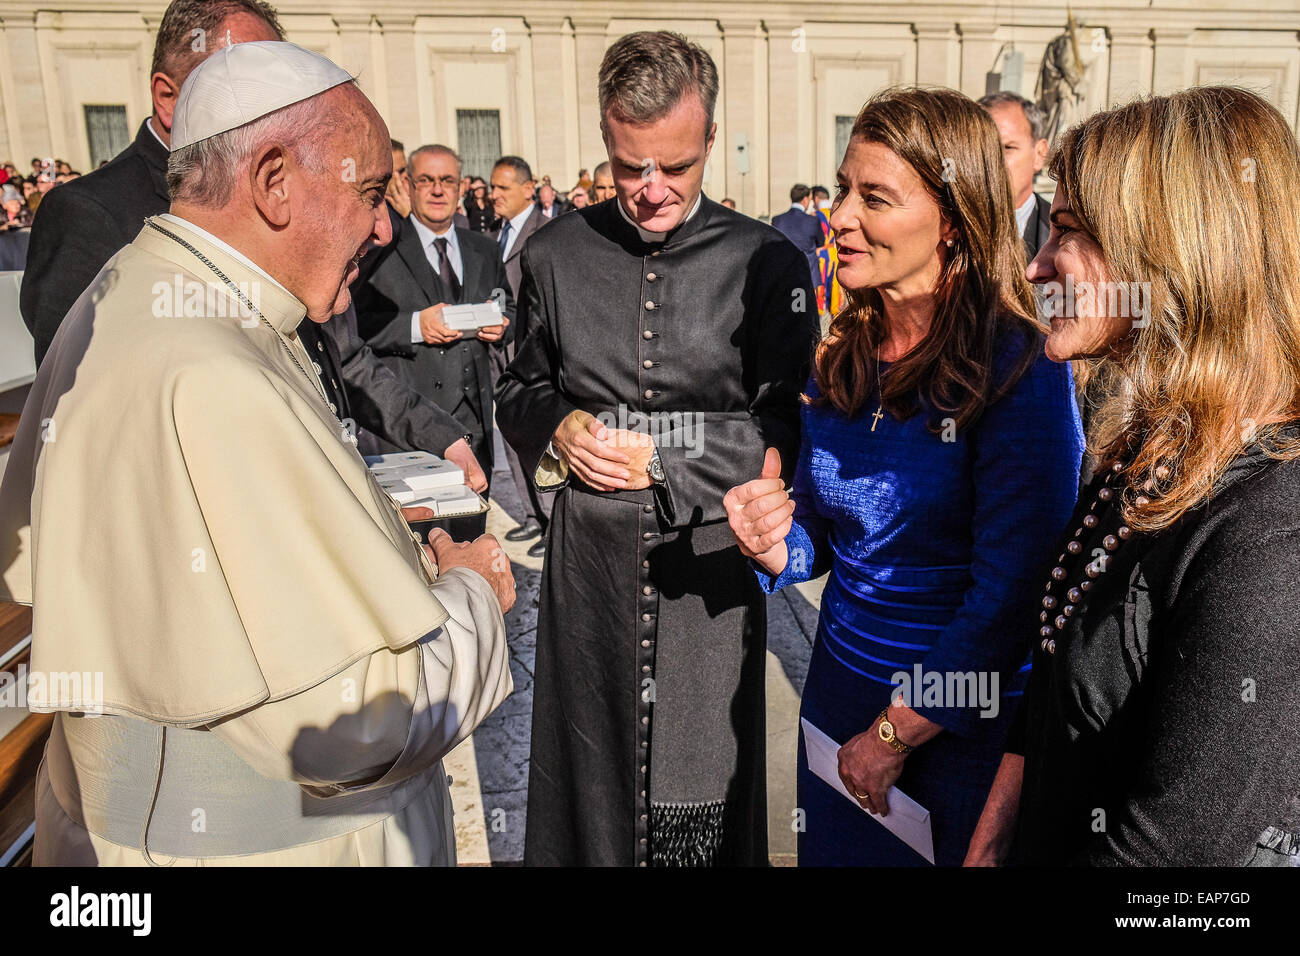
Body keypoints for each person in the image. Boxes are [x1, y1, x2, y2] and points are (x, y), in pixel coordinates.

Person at [0, 40, 515, 866]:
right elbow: (363, 720)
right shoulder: (216, 370)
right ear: (274, 183)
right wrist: (475, 591)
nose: (384, 228)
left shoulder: (132, 291)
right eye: (372, 193)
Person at [725, 86, 1083, 867]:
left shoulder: (1018, 367)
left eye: (874, 198)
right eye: (843, 187)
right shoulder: (841, 348)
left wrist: (895, 734)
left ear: (952, 219)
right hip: (836, 695)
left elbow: (1013, 598)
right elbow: (826, 530)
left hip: (953, 727)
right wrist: (775, 543)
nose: (839, 215)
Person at [496, 30, 818, 867]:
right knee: (589, 777)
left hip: (707, 572)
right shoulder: (553, 256)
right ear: (606, 137)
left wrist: (665, 461)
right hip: (589, 573)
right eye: (628, 164)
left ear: (710, 137)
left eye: (673, 167)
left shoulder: (768, 263)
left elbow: (784, 426)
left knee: (697, 800)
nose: (648, 190)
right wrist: (559, 425)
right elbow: (518, 388)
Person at [965, 86, 1300, 868]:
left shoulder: (1268, 524)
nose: (1038, 262)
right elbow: (1061, 664)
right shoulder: (1152, 445)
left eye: (1071, 231)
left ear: (1177, 250)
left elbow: (1176, 860)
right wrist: (994, 835)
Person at [19, 0, 280, 368]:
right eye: (245, 87)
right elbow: (81, 387)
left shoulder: (271, 190)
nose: (275, 110)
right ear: (168, 99)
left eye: (281, 91)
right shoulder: (84, 213)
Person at [352, 144, 514, 539]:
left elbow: (506, 302)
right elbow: (352, 329)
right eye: (426, 180)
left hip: (473, 424)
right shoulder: (380, 248)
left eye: (447, 181)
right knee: (419, 547)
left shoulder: (484, 248)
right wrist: (413, 326)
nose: (438, 191)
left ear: (460, 187)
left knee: (470, 538)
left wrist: (503, 324)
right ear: (407, 184)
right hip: (408, 428)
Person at [490, 154, 552, 557]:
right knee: (510, 433)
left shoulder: (545, 233)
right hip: (498, 348)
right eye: (493, 188)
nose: (493, 195)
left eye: (502, 188)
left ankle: (551, 519)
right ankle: (532, 514)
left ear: (528, 190)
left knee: (539, 438)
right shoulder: (500, 232)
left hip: (528, 353)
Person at [979, 92, 1050, 259]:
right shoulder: (943, 233)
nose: (990, 161)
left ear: (1039, 154)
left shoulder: (1069, 235)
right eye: (979, 149)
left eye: (1007, 148)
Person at [771, 183, 822, 287]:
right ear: (805, 200)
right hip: (809, 274)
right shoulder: (813, 221)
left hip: (784, 274)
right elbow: (821, 242)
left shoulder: (777, 220)